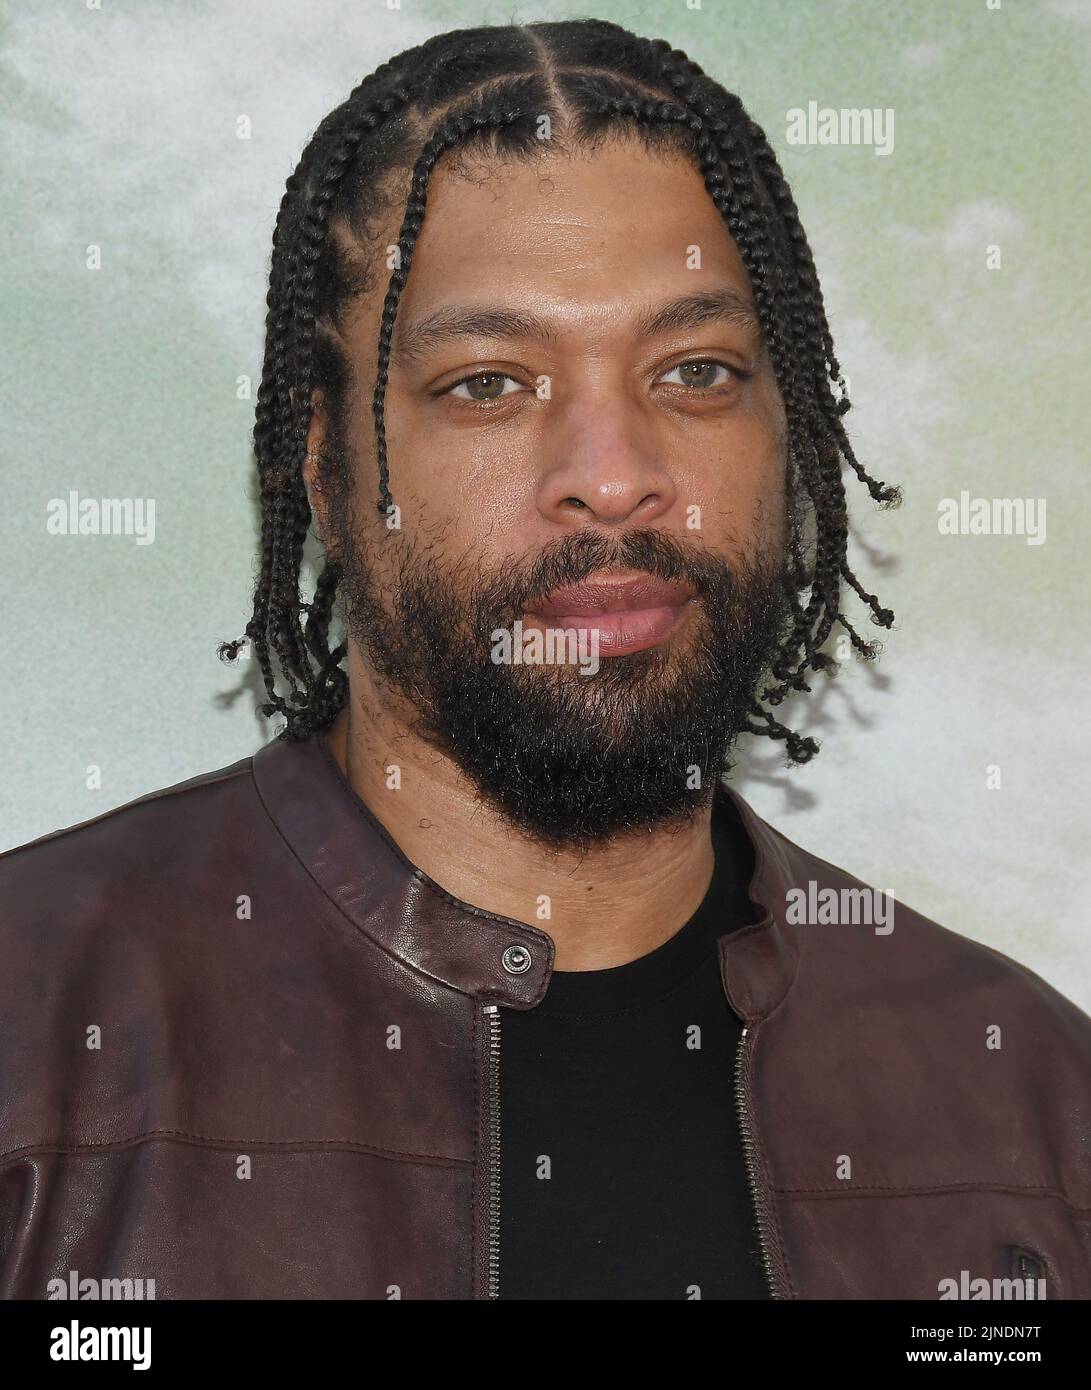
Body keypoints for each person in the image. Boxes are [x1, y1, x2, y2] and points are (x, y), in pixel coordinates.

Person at [2, 19, 1088, 1301]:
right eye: (488, 384)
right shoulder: (32, 1033)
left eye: (693, 371)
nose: (613, 477)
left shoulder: (1032, 1104)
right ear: (323, 464)